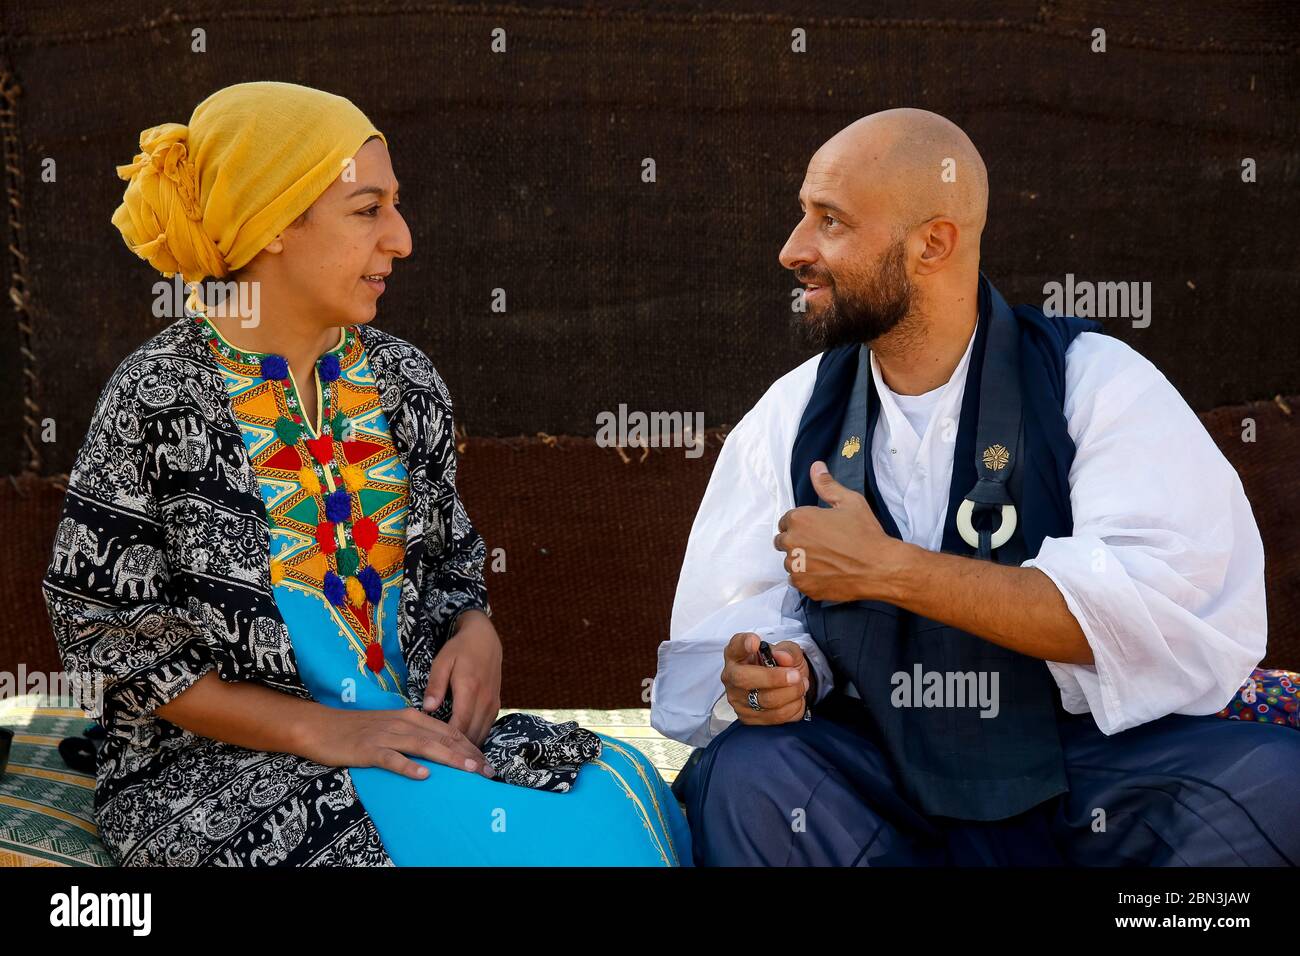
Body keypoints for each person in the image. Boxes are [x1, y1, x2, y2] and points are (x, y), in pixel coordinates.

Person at [43, 81, 688, 867]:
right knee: (552, 850)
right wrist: (327, 730)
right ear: (275, 223)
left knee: (617, 800)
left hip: (404, 735)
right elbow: (109, 636)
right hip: (223, 772)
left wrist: (476, 632)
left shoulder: (403, 378)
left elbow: (449, 560)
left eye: (395, 206)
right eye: (368, 209)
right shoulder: (157, 396)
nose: (402, 239)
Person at [651, 108, 1299, 866]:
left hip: (1083, 772)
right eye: (803, 216)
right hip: (883, 776)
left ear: (933, 242)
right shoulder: (792, 414)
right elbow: (735, 628)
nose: (793, 250)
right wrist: (780, 672)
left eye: (830, 221)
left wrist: (889, 569)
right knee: (748, 780)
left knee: (1276, 791)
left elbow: (1147, 614)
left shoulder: (1094, 383)